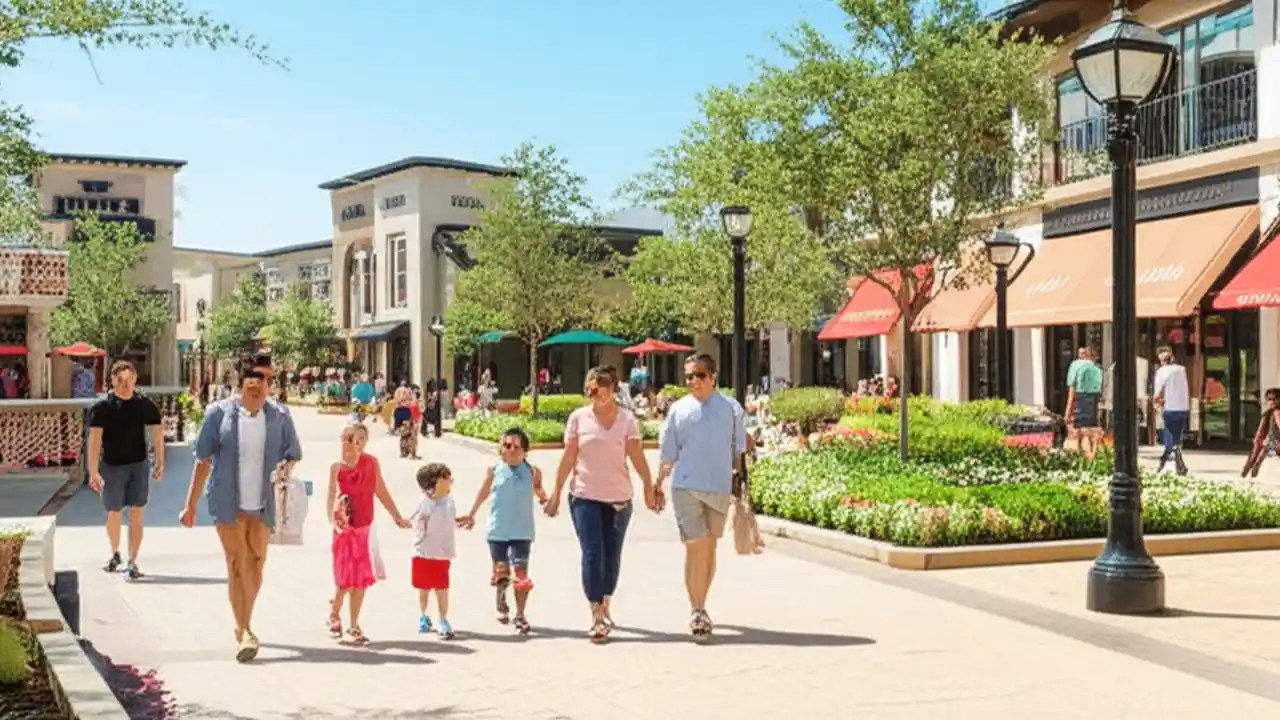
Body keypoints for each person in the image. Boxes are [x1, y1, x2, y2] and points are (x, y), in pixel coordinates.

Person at [181, 353, 301, 662]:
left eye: (267, 381)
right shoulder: (219, 414)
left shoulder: (280, 415)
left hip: (263, 500)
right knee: (236, 561)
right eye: (257, 380)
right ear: (243, 383)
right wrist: (190, 505)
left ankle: (244, 623)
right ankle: (245, 629)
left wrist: (286, 471)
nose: (262, 387)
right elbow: (203, 460)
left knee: (257, 561)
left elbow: (293, 453)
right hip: (227, 499)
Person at [545, 365, 656, 642]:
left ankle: (605, 599)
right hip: (584, 496)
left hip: (618, 497)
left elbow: (636, 455)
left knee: (611, 556)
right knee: (592, 553)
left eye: (600, 387)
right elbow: (569, 457)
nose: (594, 393)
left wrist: (648, 485)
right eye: (590, 388)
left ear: (613, 388)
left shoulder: (627, 420)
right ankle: (595, 611)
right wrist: (557, 492)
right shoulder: (578, 419)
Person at [655, 353, 746, 640]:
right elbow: (669, 450)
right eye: (690, 376)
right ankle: (697, 610)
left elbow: (739, 451)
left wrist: (742, 488)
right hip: (685, 487)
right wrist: (658, 481)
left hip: (718, 487)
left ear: (713, 377)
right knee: (695, 545)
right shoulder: (679, 410)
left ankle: (701, 602)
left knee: (709, 547)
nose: (694, 381)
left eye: (700, 375)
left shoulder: (732, 410)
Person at [327, 423, 412, 645]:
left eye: (362, 438)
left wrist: (396, 516)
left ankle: (354, 624)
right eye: (353, 438)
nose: (358, 443)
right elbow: (330, 496)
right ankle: (335, 612)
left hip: (364, 527)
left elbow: (380, 490)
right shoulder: (337, 467)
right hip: (344, 530)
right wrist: (333, 521)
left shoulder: (371, 463)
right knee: (345, 580)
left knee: (361, 580)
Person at [459, 428, 546, 636]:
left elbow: (539, 489)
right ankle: (501, 601)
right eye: (507, 446)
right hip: (498, 531)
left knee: (521, 573)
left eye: (517, 447)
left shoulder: (532, 471)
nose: (511, 451)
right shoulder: (494, 470)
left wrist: (547, 502)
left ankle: (521, 615)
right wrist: (471, 514)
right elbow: (483, 492)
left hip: (522, 531)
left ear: (525, 451)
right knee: (501, 571)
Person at [87, 360, 164, 581]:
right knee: (114, 512)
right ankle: (115, 553)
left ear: (135, 380)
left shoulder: (144, 404)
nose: (124, 385)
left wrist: (160, 460)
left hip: (138, 465)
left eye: (128, 380)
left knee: (137, 513)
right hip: (112, 467)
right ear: (112, 381)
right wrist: (93, 471)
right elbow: (94, 440)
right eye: (119, 381)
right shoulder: (102, 408)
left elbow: (157, 429)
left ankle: (133, 560)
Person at [411, 463, 458, 639]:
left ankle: (443, 619)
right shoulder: (425, 502)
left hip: (442, 552)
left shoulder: (449, 500)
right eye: (446, 478)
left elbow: (450, 519)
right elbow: (421, 521)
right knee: (424, 587)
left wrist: (461, 521)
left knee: (442, 587)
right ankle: (423, 615)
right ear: (435, 482)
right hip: (423, 551)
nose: (450, 481)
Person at [1152, 347, 1191, 475]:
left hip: (1170, 407)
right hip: (1183, 407)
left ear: (1162, 361)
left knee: (1169, 437)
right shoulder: (1182, 369)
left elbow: (1158, 392)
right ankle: (1178, 464)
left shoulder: (1162, 371)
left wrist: (1155, 402)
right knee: (1177, 436)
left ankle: (1165, 463)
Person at [1064, 347, 1104, 459]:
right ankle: (1093, 457)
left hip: (1080, 399)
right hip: (1093, 400)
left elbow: (1072, 389)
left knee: (1078, 432)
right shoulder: (1097, 368)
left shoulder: (1076, 365)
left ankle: (1082, 458)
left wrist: (1068, 411)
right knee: (1091, 431)